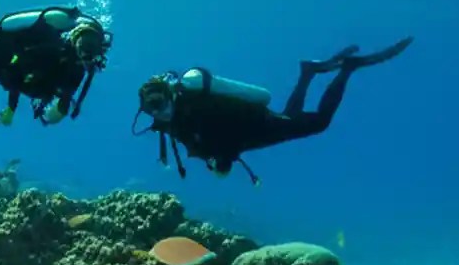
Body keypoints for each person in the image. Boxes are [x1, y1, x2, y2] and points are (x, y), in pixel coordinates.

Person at [133, 37, 413, 184]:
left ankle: (347, 69)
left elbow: (223, 137)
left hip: (255, 125)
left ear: (169, 95)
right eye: (150, 109)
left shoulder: (191, 110)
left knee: (319, 123)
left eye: (158, 103)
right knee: (290, 120)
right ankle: (308, 71)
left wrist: (223, 162)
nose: (157, 112)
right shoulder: (175, 120)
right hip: (255, 130)